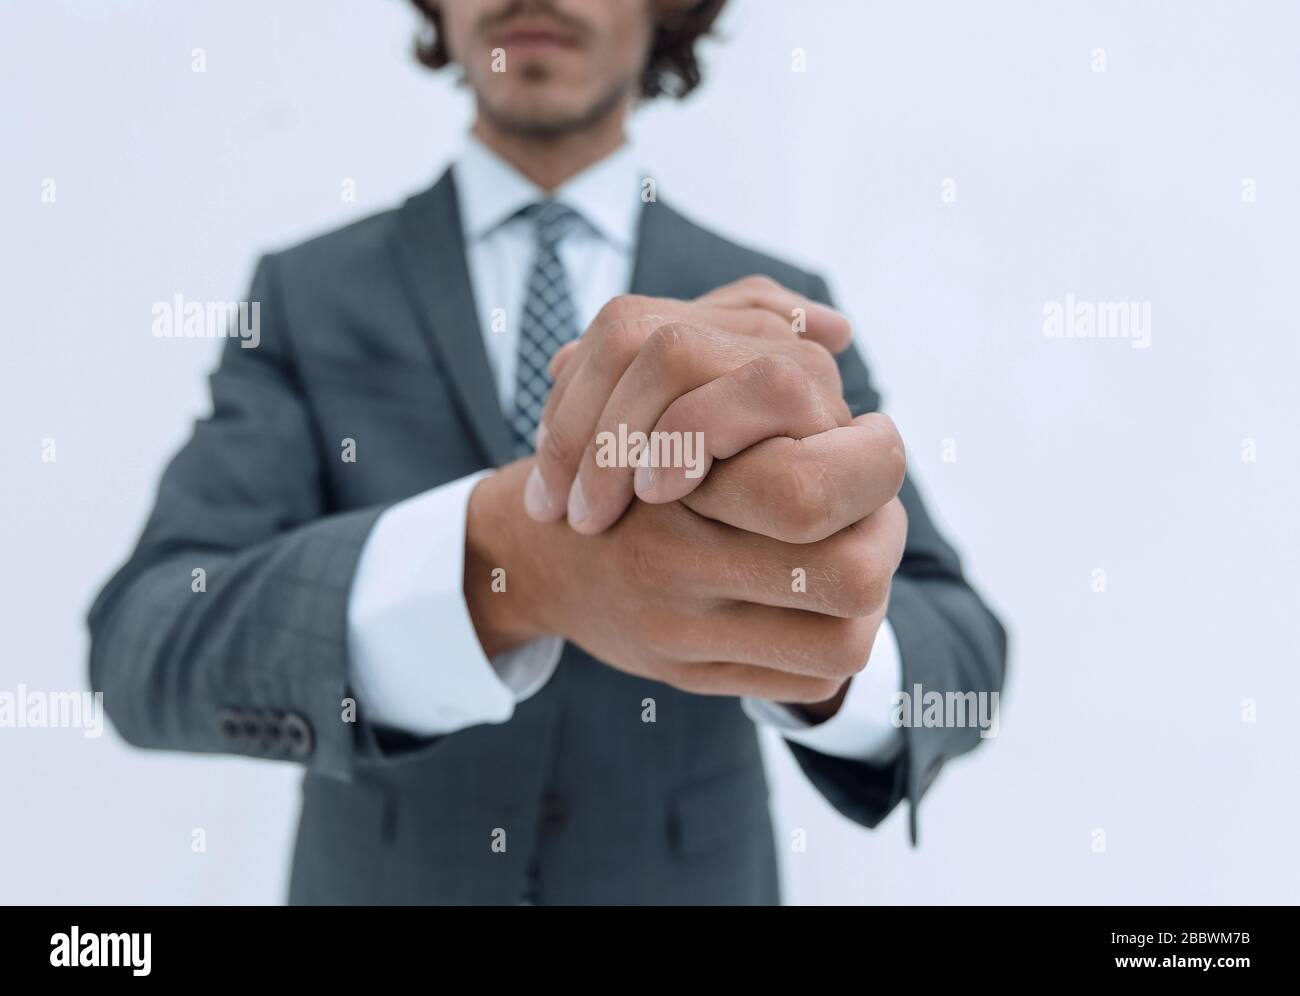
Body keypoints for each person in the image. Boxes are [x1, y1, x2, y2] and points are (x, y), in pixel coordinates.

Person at [88, 0, 1006, 904]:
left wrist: (814, 633)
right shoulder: (308, 293)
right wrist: (505, 564)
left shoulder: (782, 313)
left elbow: (961, 652)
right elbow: (146, 644)